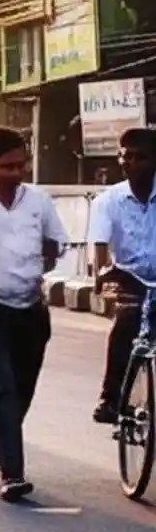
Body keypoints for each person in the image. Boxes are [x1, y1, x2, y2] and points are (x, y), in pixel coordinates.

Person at [0, 127, 69, 501]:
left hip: (31, 307)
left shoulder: (38, 201)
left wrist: (36, 263)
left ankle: (3, 433)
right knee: (3, 384)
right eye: (7, 167)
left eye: (21, 165)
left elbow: (56, 244)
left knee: (22, 386)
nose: (16, 173)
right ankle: (12, 471)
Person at [88, 127, 156, 424]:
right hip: (131, 280)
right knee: (127, 323)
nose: (130, 163)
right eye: (125, 156)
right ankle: (110, 398)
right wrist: (103, 275)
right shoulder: (108, 201)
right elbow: (100, 247)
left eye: (140, 157)